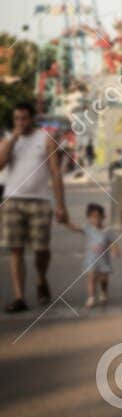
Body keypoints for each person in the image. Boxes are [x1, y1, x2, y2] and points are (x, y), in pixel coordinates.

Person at [0, 101, 72, 313]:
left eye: (24, 118)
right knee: (16, 249)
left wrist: (61, 205)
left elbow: (55, 172)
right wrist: (14, 137)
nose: (20, 123)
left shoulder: (45, 139)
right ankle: (20, 297)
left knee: (42, 249)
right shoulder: (9, 140)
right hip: (13, 200)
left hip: (40, 201)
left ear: (32, 118)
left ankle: (41, 278)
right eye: (17, 119)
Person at [77, 201, 118, 309]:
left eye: (98, 217)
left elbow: (113, 242)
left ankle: (104, 293)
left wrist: (115, 251)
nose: (96, 220)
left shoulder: (107, 231)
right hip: (91, 261)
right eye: (92, 217)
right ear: (88, 217)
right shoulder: (88, 228)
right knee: (91, 278)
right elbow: (76, 229)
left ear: (103, 217)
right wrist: (65, 222)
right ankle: (91, 297)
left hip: (104, 261)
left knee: (103, 280)